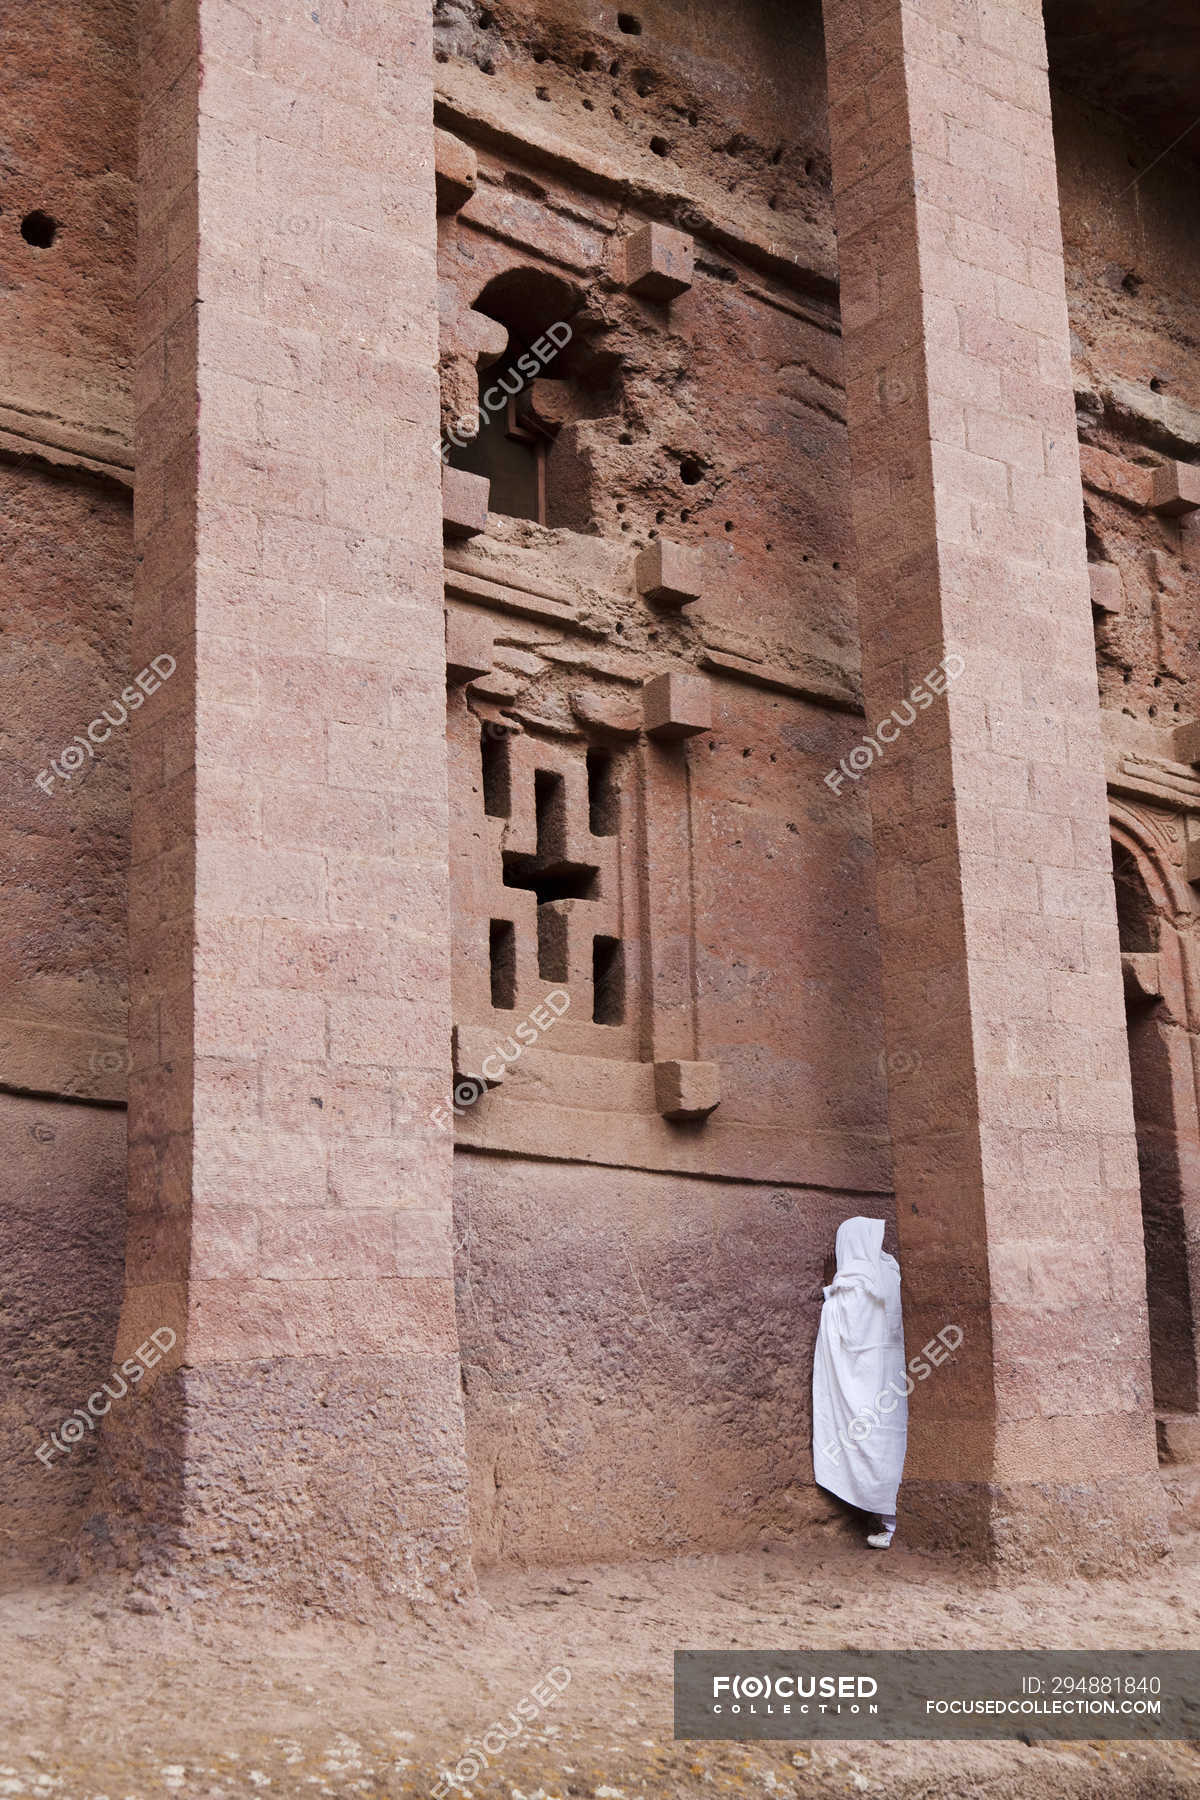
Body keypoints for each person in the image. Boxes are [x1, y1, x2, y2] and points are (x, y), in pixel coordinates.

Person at [812, 1216, 906, 1548]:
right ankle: (892, 1520)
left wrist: (829, 1290)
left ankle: (888, 1520)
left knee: (872, 1441)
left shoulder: (854, 1283)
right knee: (892, 1444)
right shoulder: (890, 1275)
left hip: (871, 1380)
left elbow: (843, 1324)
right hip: (894, 1377)